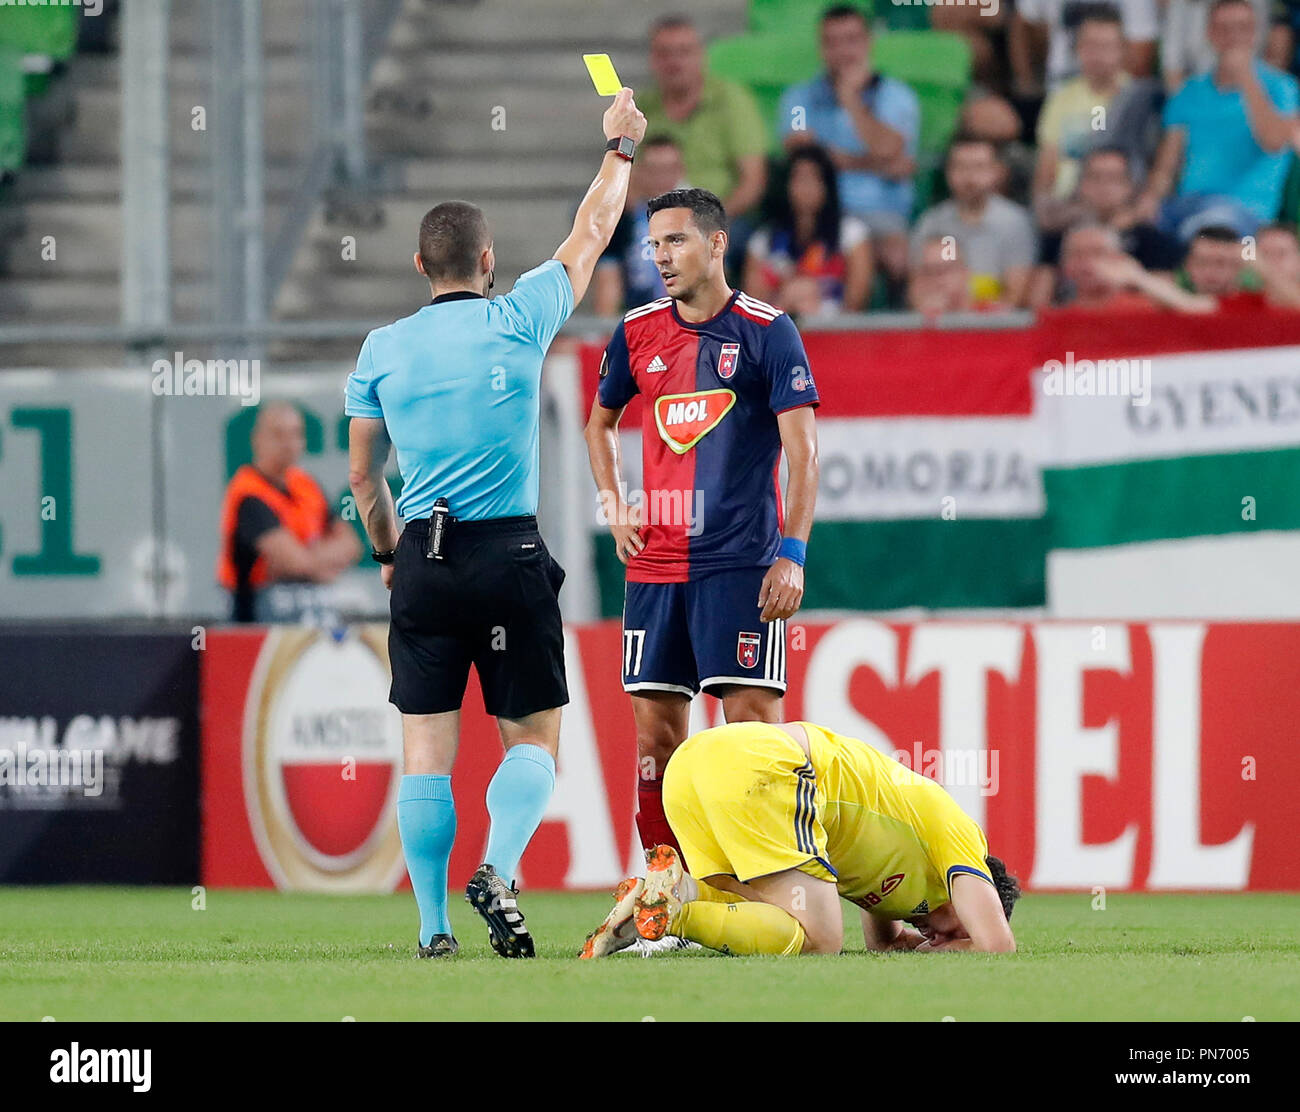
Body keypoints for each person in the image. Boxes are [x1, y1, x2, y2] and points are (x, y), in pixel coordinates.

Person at [345, 88, 647, 959]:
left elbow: (364, 476)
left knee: (426, 754)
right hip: (506, 553)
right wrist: (619, 149)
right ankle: (500, 869)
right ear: (487, 258)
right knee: (535, 736)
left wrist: (388, 554)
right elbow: (590, 233)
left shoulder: (382, 349)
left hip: (426, 560)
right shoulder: (520, 318)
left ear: (419, 265)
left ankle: (435, 929)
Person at [582, 188, 820, 920]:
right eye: (654, 245)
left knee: (749, 729)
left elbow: (802, 450)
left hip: (740, 564)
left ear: (717, 245)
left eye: (677, 242)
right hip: (656, 570)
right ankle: (664, 896)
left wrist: (792, 553)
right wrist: (616, 504)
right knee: (657, 738)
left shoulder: (766, 331)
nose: (661, 258)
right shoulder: (636, 333)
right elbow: (600, 424)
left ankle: (768, 890)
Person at [579, 720, 1020, 958]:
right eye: (958, 927)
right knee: (822, 939)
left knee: (762, 910)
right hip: (766, 767)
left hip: (694, 768)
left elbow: (883, 942)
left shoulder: (899, 889)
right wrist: (961, 945)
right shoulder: (960, 838)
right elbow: (996, 946)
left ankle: (674, 891)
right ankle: (670, 917)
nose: (936, 934)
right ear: (977, 896)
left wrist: (923, 944)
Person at [777, 4, 920, 288]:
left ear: (869, 43)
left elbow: (888, 148)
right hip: (816, 213)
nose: (842, 51)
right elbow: (801, 151)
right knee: (774, 260)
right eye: (832, 42)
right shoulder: (799, 100)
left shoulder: (897, 96)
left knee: (898, 259)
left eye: (852, 41)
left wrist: (850, 99)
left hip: (879, 214)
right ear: (821, 48)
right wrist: (876, 165)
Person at [1134, 0, 1299, 241]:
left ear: (1255, 34)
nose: (1233, 37)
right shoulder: (1190, 91)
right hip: (1187, 204)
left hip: (1245, 211)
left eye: (1242, 28)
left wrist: (1247, 79)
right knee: (1129, 231)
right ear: (1209, 34)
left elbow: (1274, 141)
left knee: (1207, 228)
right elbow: (1166, 166)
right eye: (1224, 29)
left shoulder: (1282, 87)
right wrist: (1149, 199)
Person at [216, 400, 360, 623]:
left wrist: (310, 562)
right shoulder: (249, 493)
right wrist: (324, 563)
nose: (288, 444)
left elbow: (350, 544)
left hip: (308, 611)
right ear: (257, 440)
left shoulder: (306, 485)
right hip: (253, 619)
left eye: (295, 435)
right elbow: (294, 562)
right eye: (278, 435)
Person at [637, 15, 767, 223]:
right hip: (653, 218)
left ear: (701, 56)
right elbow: (626, 178)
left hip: (721, 218)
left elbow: (753, 182)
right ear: (652, 59)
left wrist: (708, 223)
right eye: (664, 53)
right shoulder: (641, 106)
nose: (674, 62)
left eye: (684, 52)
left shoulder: (732, 101)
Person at [1029, 146, 1182, 305]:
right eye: (1095, 177)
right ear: (1080, 184)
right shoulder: (1058, 237)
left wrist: (1133, 276)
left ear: (1130, 185)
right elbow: (1038, 303)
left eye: (1113, 178)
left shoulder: (1153, 240)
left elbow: (1167, 301)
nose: (1103, 186)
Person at [742, 144, 873, 316]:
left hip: (834, 329)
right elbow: (751, 305)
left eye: (815, 179)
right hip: (779, 328)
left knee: (804, 294)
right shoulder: (763, 240)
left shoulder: (852, 234)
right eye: (799, 179)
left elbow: (856, 300)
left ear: (827, 185)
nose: (807, 188)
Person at [911, 135, 1039, 306]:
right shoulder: (930, 223)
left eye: (979, 167)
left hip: (995, 325)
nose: (969, 177)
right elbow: (916, 289)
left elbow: (1015, 297)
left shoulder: (1015, 223)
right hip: (940, 320)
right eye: (961, 167)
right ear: (948, 172)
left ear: (997, 172)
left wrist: (972, 310)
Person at [592, 135, 686, 317]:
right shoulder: (622, 220)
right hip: (636, 315)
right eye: (654, 170)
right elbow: (608, 280)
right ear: (640, 171)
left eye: (668, 169)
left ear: (681, 171)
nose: (662, 178)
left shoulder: (699, 219)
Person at [1051, 222, 1216, 310]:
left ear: (1120, 259)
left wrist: (1138, 277)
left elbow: (1204, 309)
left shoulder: (1145, 307)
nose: (1087, 263)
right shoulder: (1055, 315)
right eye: (1077, 254)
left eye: (1098, 253)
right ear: (1064, 265)